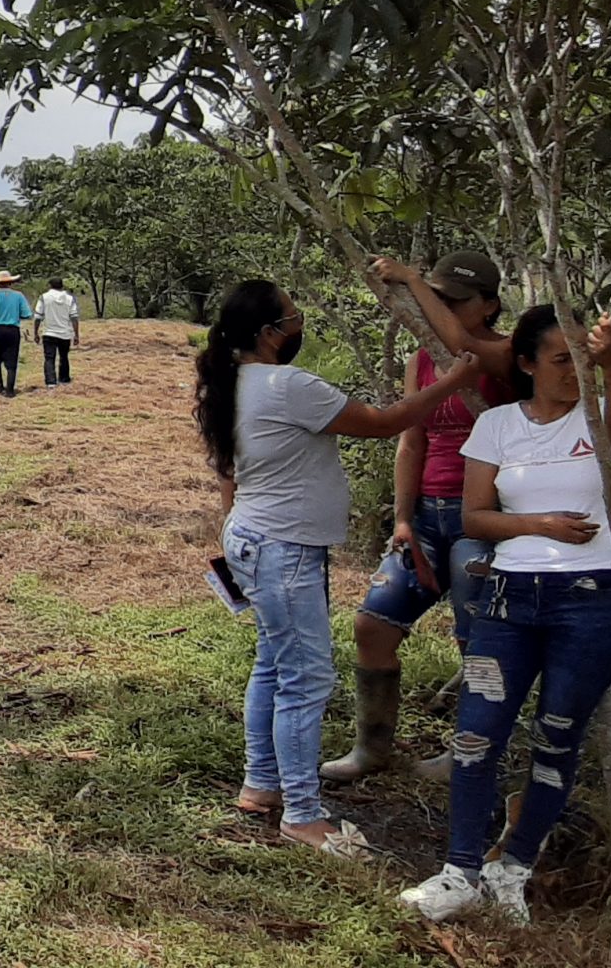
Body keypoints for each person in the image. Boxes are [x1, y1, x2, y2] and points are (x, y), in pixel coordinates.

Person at [195, 280, 479, 854]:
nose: (301, 324)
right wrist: (450, 383)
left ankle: (262, 784)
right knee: (306, 677)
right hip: (285, 548)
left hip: (256, 538)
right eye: (294, 316)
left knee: (275, 663)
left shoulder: (233, 383)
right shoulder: (286, 384)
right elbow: (381, 421)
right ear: (271, 333)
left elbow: (230, 473)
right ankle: (302, 812)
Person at [400, 307, 611, 925]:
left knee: (558, 739)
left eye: (583, 359)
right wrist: (540, 524)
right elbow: (474, 518)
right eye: (561, 360)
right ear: (526, 364)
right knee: (476, 736)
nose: (573, 372)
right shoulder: (499, 425)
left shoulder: (605, 415)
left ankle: (513, 870)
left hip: (593, 600)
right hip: (507, 599)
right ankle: (459, 872)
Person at [323, 252, 513, 782]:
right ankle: (372, 747)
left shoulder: (506, 355)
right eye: (436, 296)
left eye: (455, 300)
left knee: (476, 643)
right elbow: (414, 439)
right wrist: (402, 519)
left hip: (484, 514)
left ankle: (469, 754)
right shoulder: (421, 361)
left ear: (491, 305)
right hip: (429, 513)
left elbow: (461, 346)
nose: (439, 308)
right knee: (372, 624)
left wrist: (409, 280)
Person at [0, 271, 31, 397]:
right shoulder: (18, 296)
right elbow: (27, 314)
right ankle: (10, 390)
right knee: (12, 360)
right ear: (11, 282)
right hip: (12, 330)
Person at [34, 277, 79, 387]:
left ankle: (51, 381)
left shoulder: (44, 298)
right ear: (62, 286)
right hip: (65, 333)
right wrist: (76, 334)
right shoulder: (69, 298)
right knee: (64, 356)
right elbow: (74, 317)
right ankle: (64, 379)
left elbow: (38, 316)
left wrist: (35, 332)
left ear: (50, 286)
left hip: (49, 332)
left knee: (49, 358)